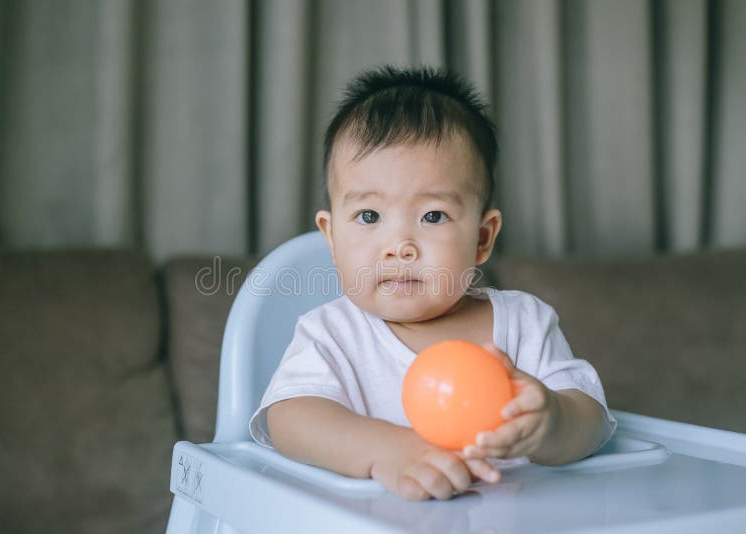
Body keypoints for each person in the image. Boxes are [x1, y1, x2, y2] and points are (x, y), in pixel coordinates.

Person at [249, 65, 616, 501]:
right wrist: (389, 450)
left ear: (482, 238)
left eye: (433, 216)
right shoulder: (331, 333)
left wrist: (551, 422)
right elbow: (291, 419)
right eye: (369, 216)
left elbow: (591, 421)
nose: (400, 246)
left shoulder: (524, 324)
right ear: (331, 237)